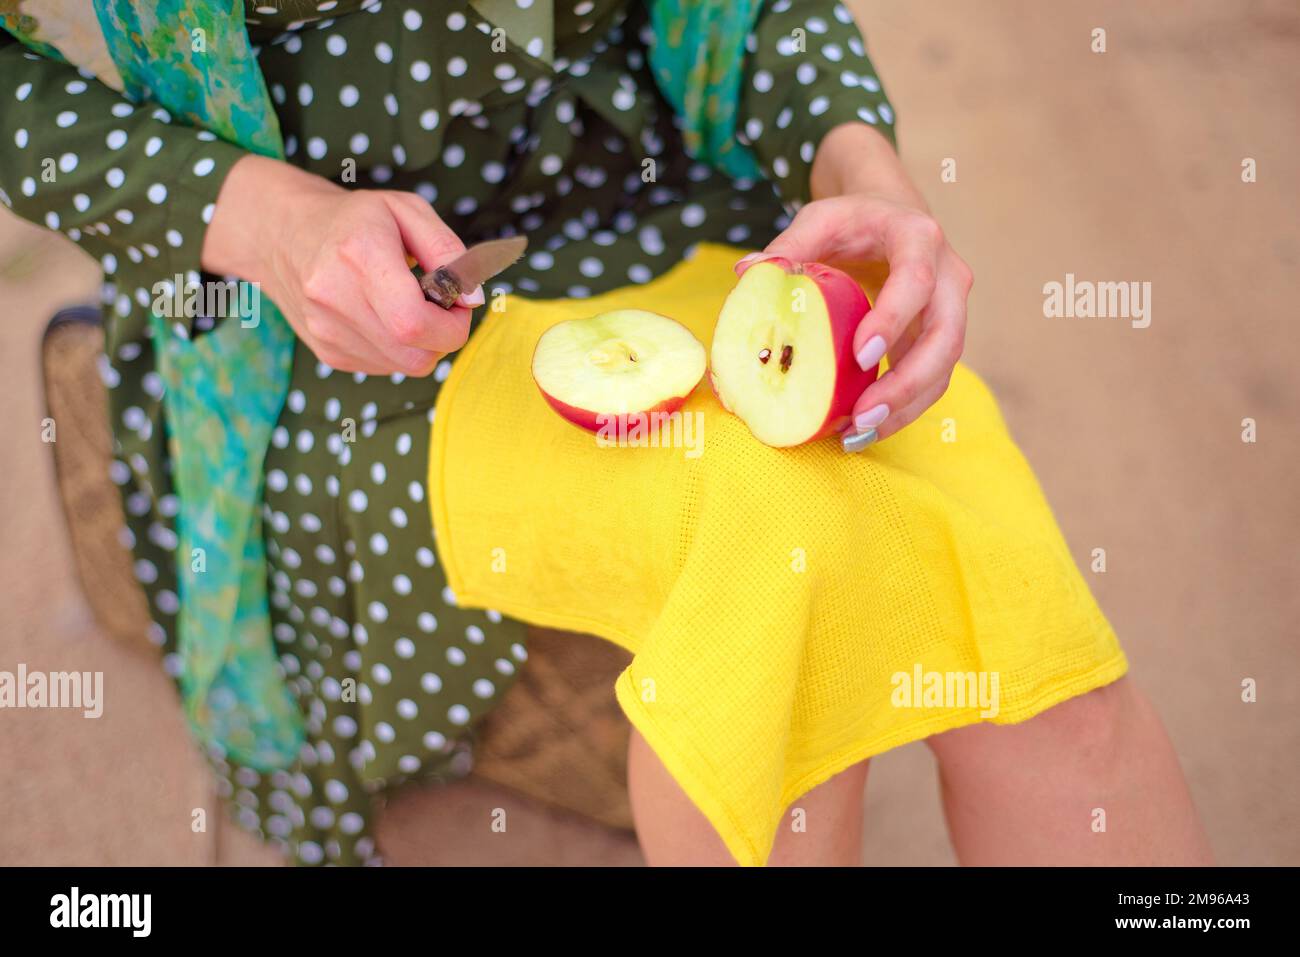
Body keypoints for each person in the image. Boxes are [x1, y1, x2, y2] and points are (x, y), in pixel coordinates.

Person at [0, 0, 1211, 865]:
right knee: (778, 648)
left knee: (1055, 692)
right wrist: (263, 222)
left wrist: (867, 168)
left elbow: (752, 16)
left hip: (685, 216)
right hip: (351, 310)